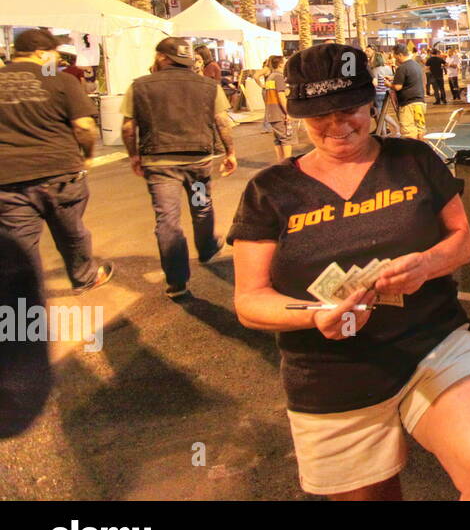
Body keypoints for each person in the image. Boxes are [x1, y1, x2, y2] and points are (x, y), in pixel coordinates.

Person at [229, 44, 470, 500]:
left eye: (348, 108)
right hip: (329, 375)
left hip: (432, 345)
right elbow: (250, 300)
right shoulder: (269, 191)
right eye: (318, 114)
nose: (336, 125)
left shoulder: (415, 159)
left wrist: (427, 264)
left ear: (373, 101)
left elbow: (462, 241)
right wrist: (315, 315)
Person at [0, 29, 113, 436]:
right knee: (72, 231)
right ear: (44, 53)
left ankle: (28, 314)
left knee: (21, 245)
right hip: (60, 171)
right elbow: (83, 126)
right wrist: (84, 156)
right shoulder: (60, 80)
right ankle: (84, 276)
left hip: (8, 180)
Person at [121, 37, 237, 300]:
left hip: (161, 166)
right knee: (201, 205)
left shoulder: (140, 86)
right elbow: (222, 121)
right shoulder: (207, 86)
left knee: (167, 219)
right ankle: (206, 248)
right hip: (197, 163)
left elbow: (129, 126)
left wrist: (133, 156)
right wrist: (230, 152)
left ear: (162, 57)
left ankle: (177, 282)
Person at [390, 43, 427, 140]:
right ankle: (422, 151)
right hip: (420, 103)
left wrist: (388, 84)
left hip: (408, 105)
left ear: (400, 55)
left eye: (395, 57)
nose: (395, 59)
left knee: (408, 132)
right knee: (420, 129)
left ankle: (411, 153)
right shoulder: (416, 65)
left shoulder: (402, 68)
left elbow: (397, 87)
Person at [261, 55, 294, 161]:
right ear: (280, 64)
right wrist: (288, 112)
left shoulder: (270, 77)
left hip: (272, 113)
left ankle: (281, 163)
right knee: (286, 139)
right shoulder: (279, 77)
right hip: (279, 113)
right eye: (285, 62)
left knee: (278, 140)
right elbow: (281, 97)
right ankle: (287, 165)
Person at [372, 52, 397, 137]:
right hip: (386, 92)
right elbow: (392, 79)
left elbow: (375, 83)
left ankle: (396, 128)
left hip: (378, 93)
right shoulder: (388, 68)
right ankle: (383, 134)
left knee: (381, 114)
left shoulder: (375, 70)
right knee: (382, 113)